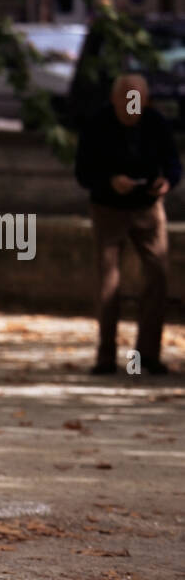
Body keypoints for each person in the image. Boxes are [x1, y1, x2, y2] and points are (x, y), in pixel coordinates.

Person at [75, 73, 179, 375]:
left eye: (137, 101)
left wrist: (166, 182)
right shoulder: (97, 124)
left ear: (145, 102)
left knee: (157, 277)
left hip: (147, 208)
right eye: (126, 100)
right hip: (108, 208)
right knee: (109, 282)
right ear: (114, 100)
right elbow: (83, 172)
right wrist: (110, 182)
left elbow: (173, 164)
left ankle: (148, 355)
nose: (131, 108)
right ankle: (105, 356)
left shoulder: (156, 123)